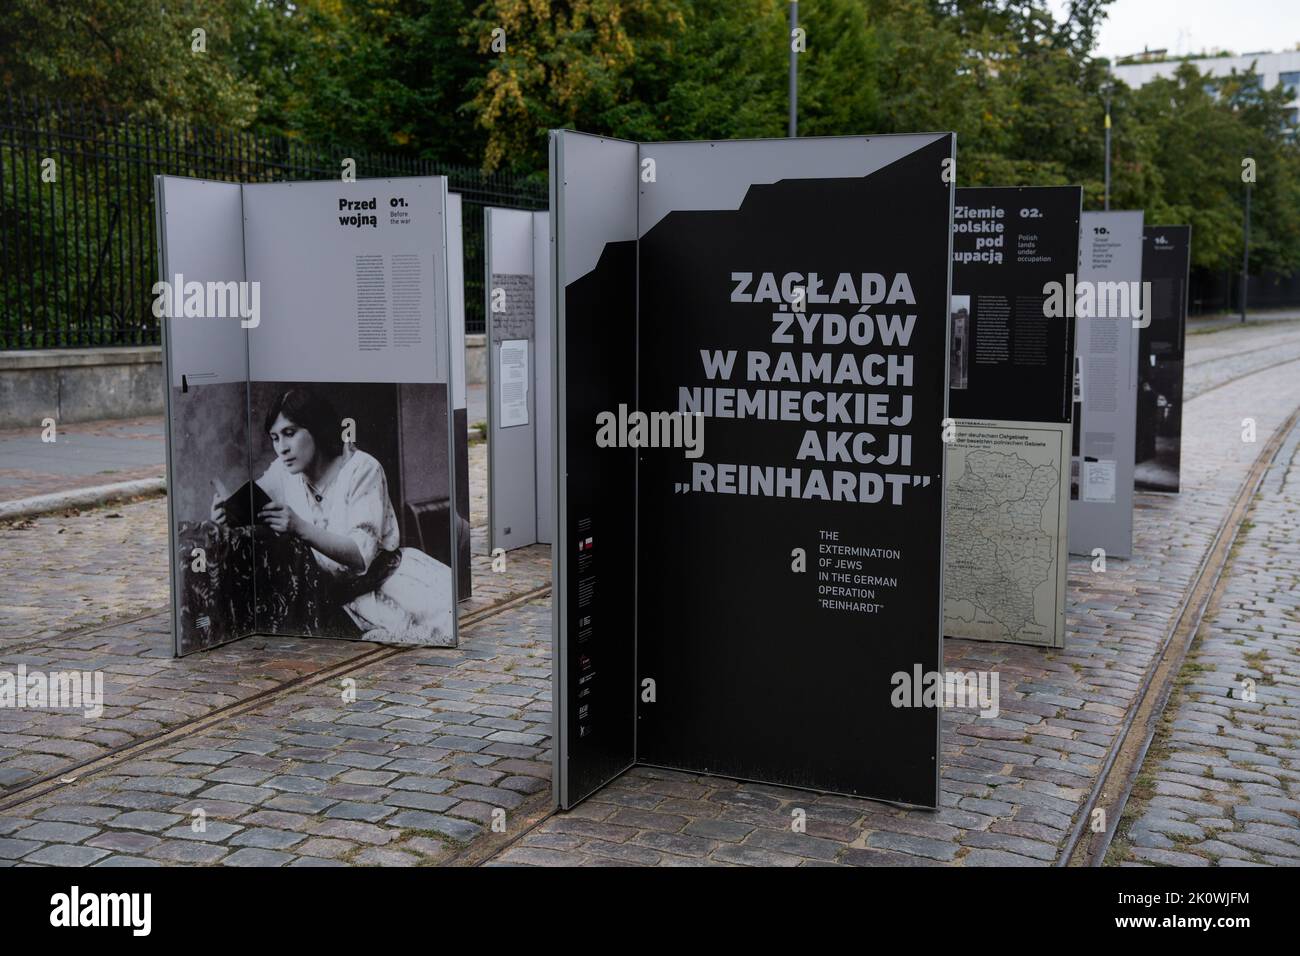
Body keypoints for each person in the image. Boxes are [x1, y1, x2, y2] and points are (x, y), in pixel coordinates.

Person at [210, 387, 452, 644]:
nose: (281, 448)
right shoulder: (282, 472)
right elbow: (250, 503)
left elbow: (361, 555)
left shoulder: (362, 469)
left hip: (396, 587)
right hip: (337, 603)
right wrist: (225, 514)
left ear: (315, 427)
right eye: (275, 438)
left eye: (289, 434)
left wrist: (299, 527)